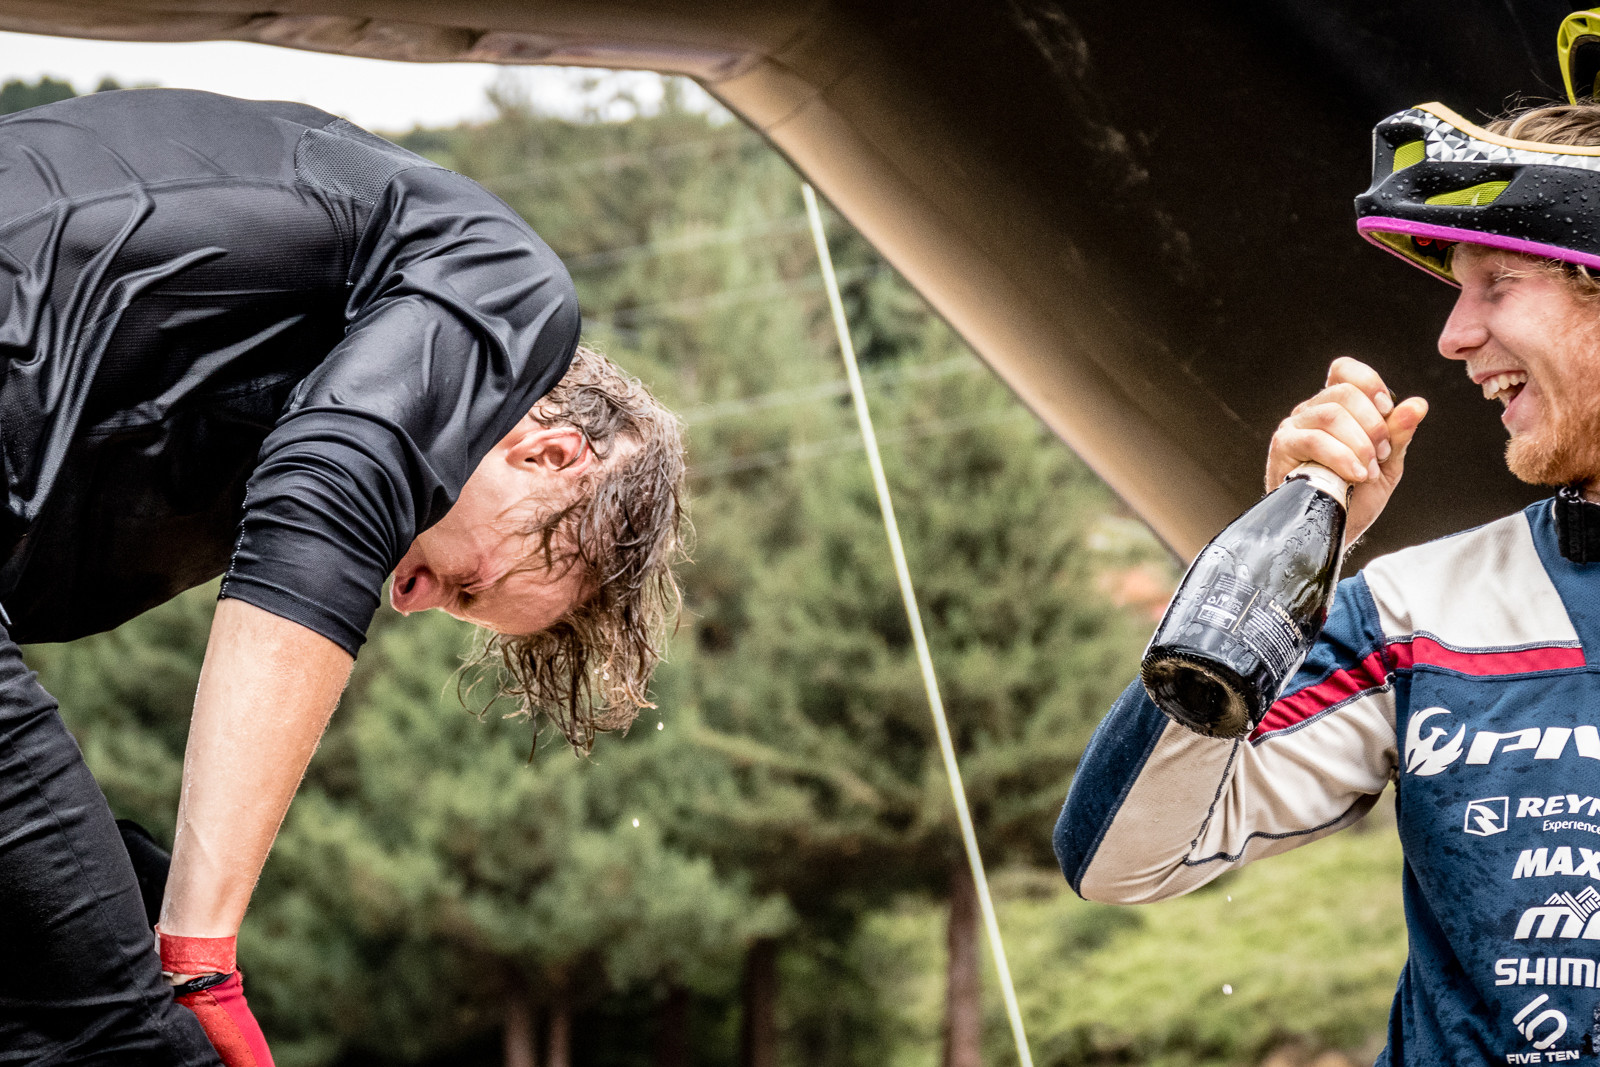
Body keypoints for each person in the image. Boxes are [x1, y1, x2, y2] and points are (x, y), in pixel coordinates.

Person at [0, 88, 686, 1065]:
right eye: (469, 583)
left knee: (123, 904)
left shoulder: (221, 422)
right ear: (552, 454)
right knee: (128, 1024)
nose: (408, 599)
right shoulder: (506, 288)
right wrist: (199, 955)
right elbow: (331, 496)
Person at [1055, 98, 1600, 1064]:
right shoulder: (1422, 610)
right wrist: (1277, 551)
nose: (1453, 335)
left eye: (1498, 283)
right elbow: (1118, 857)